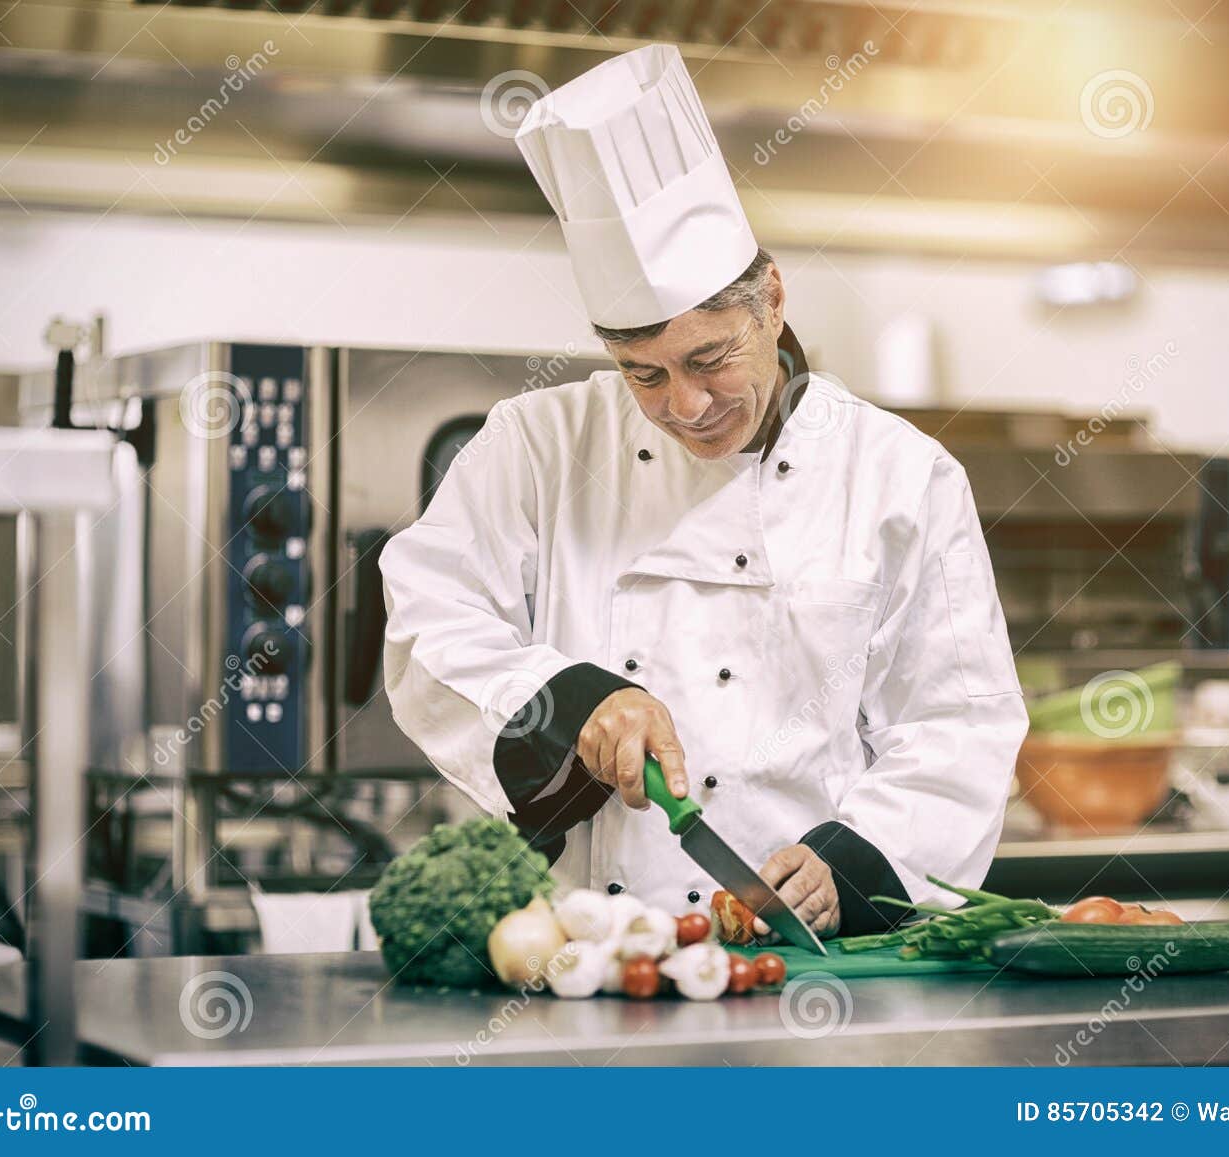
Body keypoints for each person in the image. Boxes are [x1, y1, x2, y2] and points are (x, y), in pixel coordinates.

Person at [381, 44, 1027, 938]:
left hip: (810, 966)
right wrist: (569, 698)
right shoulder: (535, 445)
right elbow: (427, 623)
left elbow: (959, 721)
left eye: (708, 359)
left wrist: (854, 863)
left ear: (770, 300)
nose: (683, 406)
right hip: (589, 957)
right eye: (642, 374)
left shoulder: (900, 476)